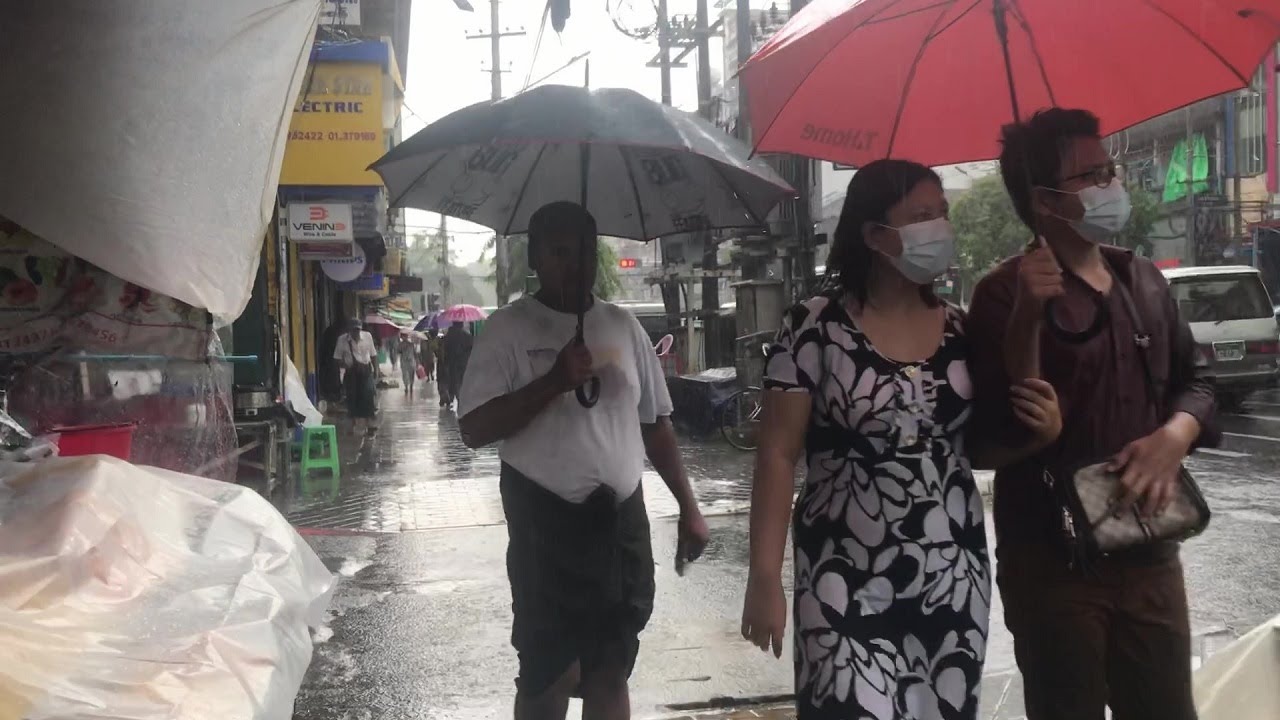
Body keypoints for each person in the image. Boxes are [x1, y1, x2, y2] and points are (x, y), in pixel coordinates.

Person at [740, 160, 1063, 720]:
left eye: (941, 214)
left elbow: (979, 450)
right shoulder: (813, 327)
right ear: (872, 234)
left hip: (950, 580)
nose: (939, 227)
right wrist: (764, 575)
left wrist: (1040, 435)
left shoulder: (962, 330)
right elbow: (777, 454)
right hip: (841, 580)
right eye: (920, 216)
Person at [965, 108, 1218, 720]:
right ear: (1045, 200)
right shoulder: (1001, 292)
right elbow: (994, 434)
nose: (1111, 183)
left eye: (1110, 169)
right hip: (1056, 561)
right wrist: (1028, 312)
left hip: (1151, 547)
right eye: (1091, 175)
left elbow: (1199, 383)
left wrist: (1173, 437)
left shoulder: (1144, 279)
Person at [457, 201, 710, 720]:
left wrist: (690, 506)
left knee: (610, 665)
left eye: (585, 252)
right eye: (559, 252)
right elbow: (473, 428)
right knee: (548, 670)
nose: (575, 264)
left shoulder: (624, 327)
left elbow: (655, 423)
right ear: (535, 257)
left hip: (619, 524)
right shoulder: (508, 330)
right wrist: (553, 382)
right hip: (543, 527)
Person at [334, 318, 379, 435]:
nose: (356, 333)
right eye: (353, 330)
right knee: (352, 397)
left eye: (358, 330)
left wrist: (376, 371)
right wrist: (345, 364)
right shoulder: (342, 340)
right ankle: (352, 425)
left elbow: (374, 355)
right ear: (349, 330)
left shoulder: (367, 337)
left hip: (366, 370)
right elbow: (337, 358)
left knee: (368, 395)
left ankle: (370, 424)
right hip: (351, 372)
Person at [440, 320, 473, 409]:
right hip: (463, 364)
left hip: (451, 364)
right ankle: (460, 400)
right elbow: (471, 348)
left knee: (453, 382)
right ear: (461, 325)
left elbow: (444, 350)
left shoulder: (448, 336)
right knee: (462, 382)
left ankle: (451, 398)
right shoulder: (467, 336)